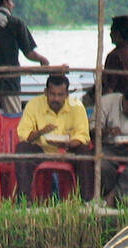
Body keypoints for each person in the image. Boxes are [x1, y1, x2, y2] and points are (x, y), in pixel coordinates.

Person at [14, 73, 92, 201]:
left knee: (84, 152)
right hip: (42, 151)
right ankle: (24, 201)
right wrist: (41, 132)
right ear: (45, 92)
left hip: (68, 151)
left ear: (67, 94)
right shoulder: (33, 105)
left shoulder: (77, 106)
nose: (56, 98)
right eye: (52, 94)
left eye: (60, 95)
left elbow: (83, 136)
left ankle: (88, 201)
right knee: (22, 148)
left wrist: (67, 144)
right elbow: (24, 135)